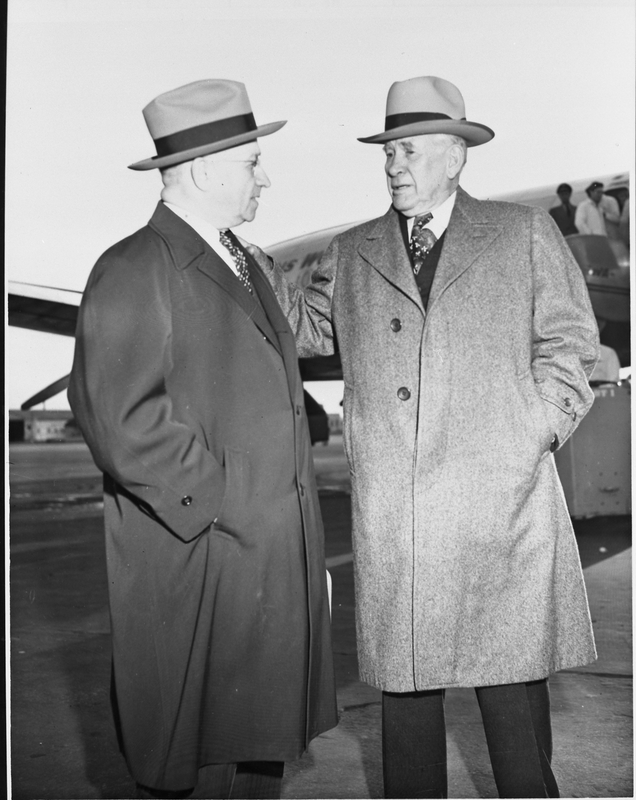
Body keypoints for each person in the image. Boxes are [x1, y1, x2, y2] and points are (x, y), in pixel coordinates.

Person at [246, 75, 600, 798]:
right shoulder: (353, 251)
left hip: (500, 509)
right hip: (400, 520)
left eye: (409, 150)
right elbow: (302, 329)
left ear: (455, 156)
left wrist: (532, 431)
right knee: (406, 706)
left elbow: (570, 344)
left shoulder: (523, 233)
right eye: (388, 152)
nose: (394, 165)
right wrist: (238, 258)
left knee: (512, 702)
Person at [68, 79, 337, 800]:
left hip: (263, 559)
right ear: (207, 169)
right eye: (252, 162)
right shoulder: (134, 266)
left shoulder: (246, 263)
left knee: (257, 752)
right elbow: (121, 418)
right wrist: (222, 504)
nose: (264, 178)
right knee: (205, 761)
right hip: (204, 557)